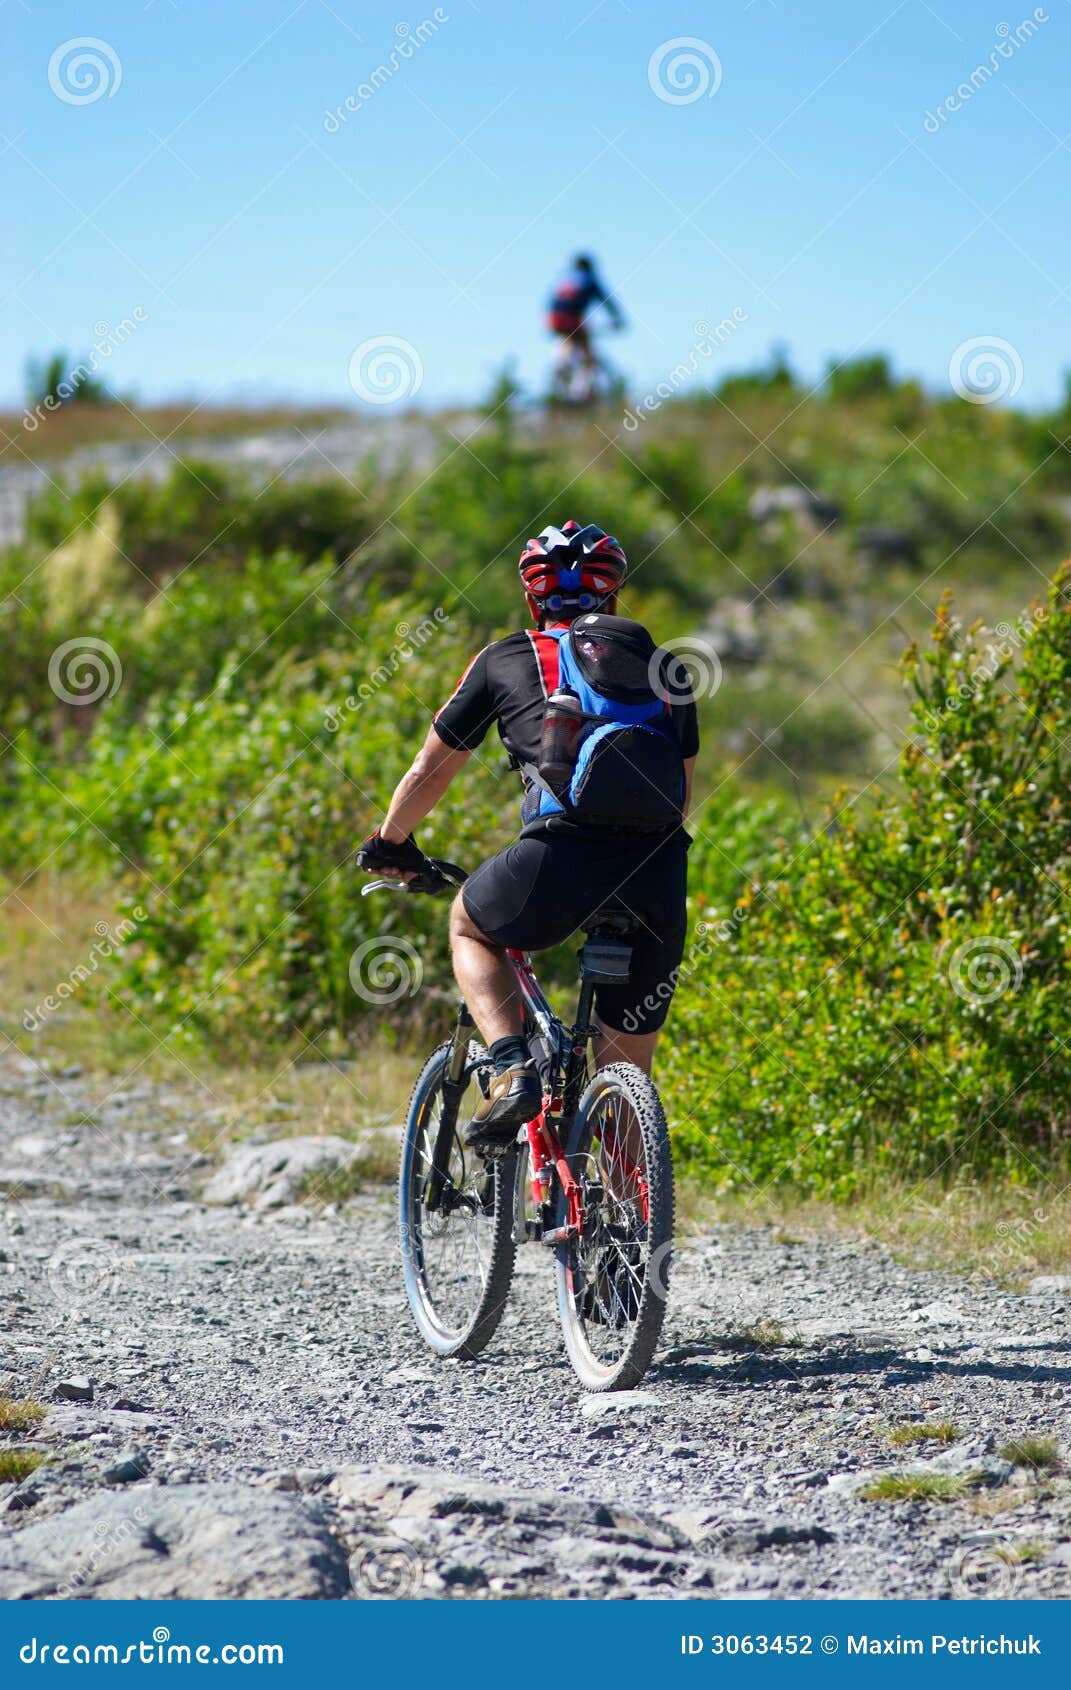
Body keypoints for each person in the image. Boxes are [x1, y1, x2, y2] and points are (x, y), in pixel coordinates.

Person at [358, 522, 697, 1150]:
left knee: (469, 922)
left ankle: (512, 1068)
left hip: (557, 858)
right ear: (615, 597)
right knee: (624, 1075)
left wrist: (391, 842)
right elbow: (679, 797)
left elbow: (427, 771)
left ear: (532, 598)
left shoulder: (506, 658)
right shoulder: (667, 669)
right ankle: (628, 1239)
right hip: (657, 875)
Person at [546, 254, 625, 396]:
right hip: (572, 318)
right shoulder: (590, 279)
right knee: (588, 353)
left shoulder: (566, 279)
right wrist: (618, 319)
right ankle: (584, 390)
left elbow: (553, 300)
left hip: (554, 318)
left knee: (568, 342)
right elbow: (607, 301)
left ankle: (561, 371)